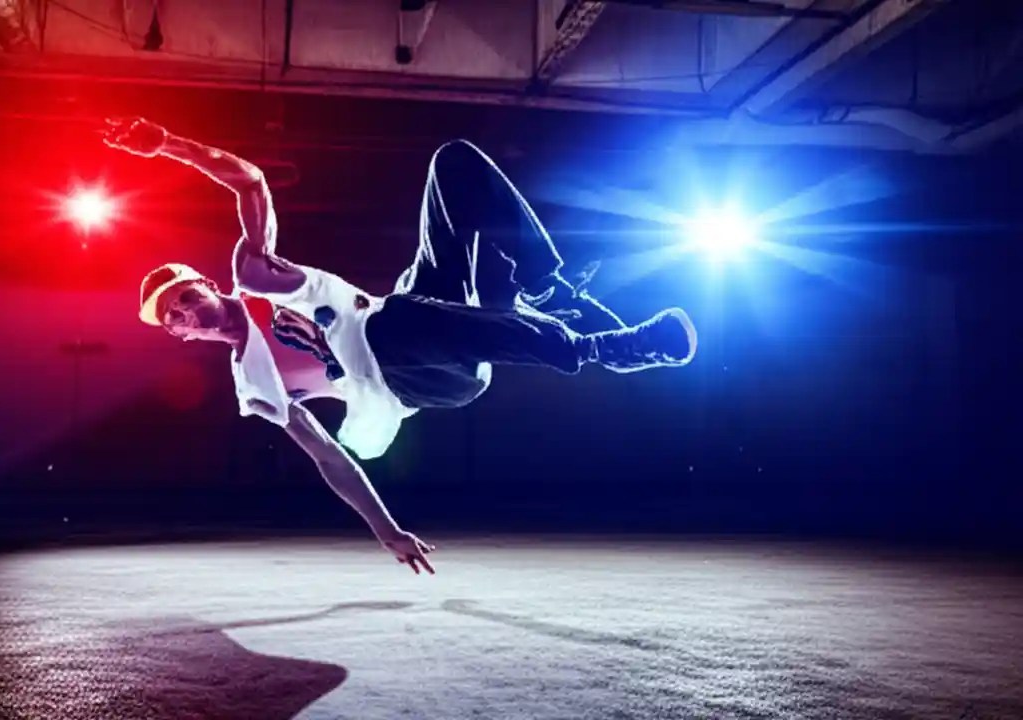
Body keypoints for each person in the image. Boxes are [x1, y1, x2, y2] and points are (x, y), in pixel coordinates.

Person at [103, 117, 697, 575]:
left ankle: (548, 287)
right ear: (180, 335)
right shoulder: (253, 380)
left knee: (453, 165)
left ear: (204, 283)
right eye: (173, 319)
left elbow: (248, 181)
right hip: (417, 381)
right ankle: (600, 349)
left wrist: (165, 144)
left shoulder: (255, 272)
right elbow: (327, 455)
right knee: (390, 328)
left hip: (426, 319)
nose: (184, 313)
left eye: (181, 295)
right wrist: (386, 531)